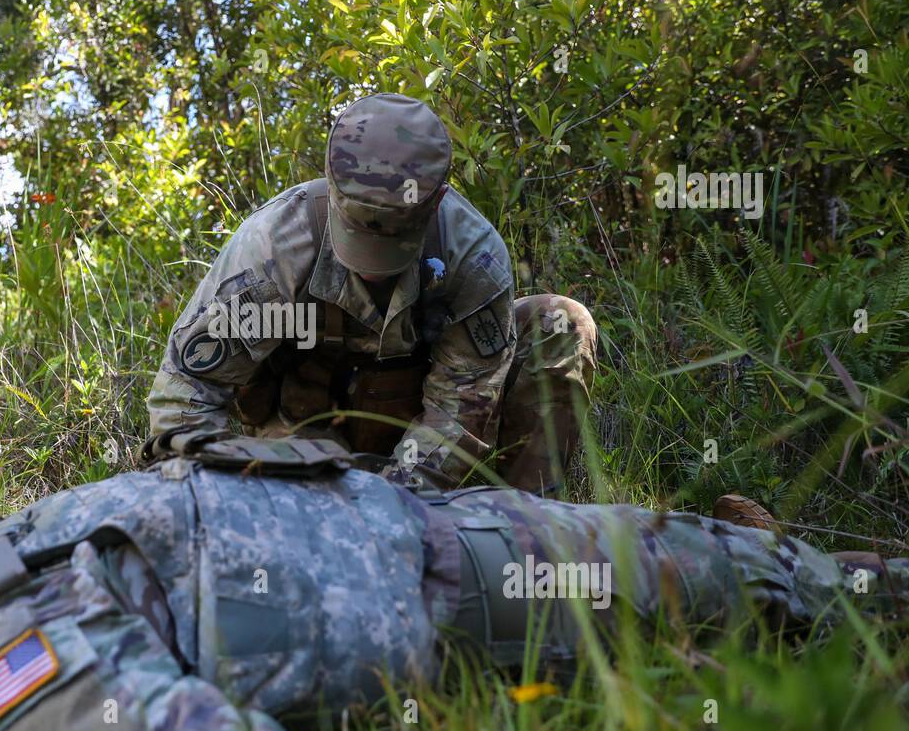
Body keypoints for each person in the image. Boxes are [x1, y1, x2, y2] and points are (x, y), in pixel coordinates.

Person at [0, 431, 908, 731]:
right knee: (762, 586)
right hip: (479, 591)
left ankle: (827, 586)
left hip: (445, 526)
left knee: (757, 571)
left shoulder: (2, 564)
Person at [146, 92, 598, 494]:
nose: (374, 271)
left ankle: (522, 529)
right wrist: (206, 494)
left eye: (391, 247)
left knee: (560, 322)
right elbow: (188, 389)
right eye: (358, 238)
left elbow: (461, 409)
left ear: (436, 200)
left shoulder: (473, 257)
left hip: (424, 448)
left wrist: (398, 499)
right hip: (302, 437)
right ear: (331, 181)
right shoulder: (275, 249)